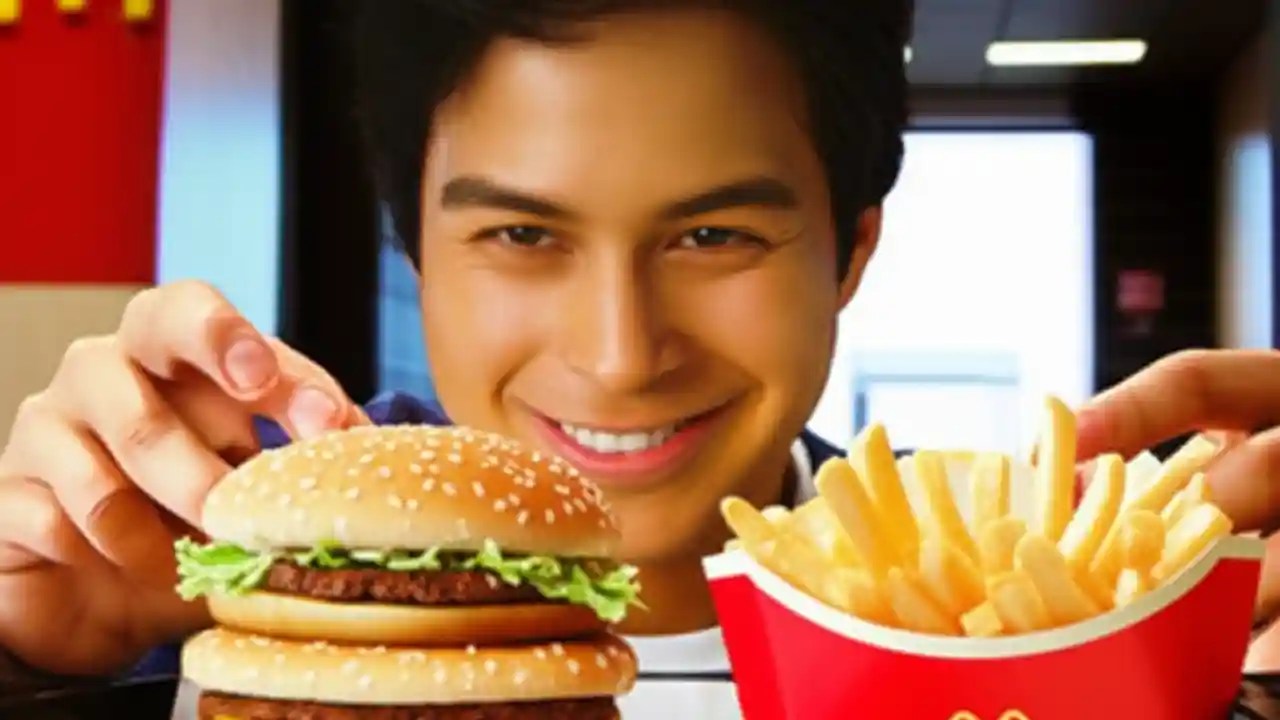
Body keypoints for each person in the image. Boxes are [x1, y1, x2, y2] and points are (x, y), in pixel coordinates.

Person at [0, 0, 1277, 715]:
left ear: (847, 251)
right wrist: (49, 667)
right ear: (416, 251)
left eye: (712, 233)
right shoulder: (211, 584)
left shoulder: (1025, 618)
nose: (618, 356)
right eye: (520, 233)